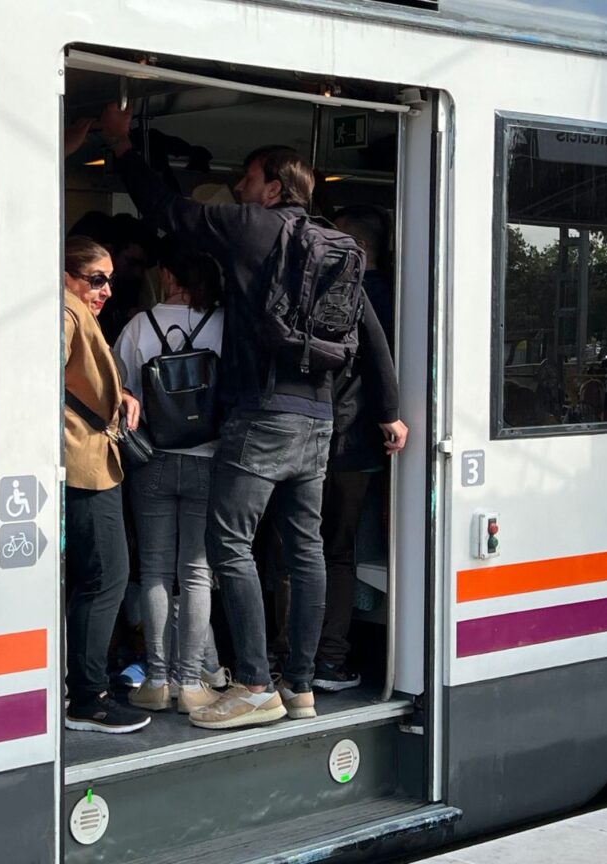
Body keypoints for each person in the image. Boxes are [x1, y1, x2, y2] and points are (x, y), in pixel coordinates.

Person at [100, 105, 409, 731]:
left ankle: (252, 684)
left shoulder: (251, 227)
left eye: (247, 177)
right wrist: (392, 412)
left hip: (262, 414)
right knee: (307, 551)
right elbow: (372, 334)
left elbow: (168, 213)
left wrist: (123, 147)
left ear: (273, 187)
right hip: (319, 419)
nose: (240, 187)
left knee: (228, 545)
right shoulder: (341, 247)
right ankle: (300, 687)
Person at [114, 241, 231, 715]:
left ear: (168, 276)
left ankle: (157, 680)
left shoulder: (140, 325)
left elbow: (119, 388)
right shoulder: (225, 324)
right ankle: (192, 684)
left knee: (156, 572)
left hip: (154, 460)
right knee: (197, 573)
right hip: (209, 459)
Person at [62, 235, 150, 734]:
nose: (107, 290)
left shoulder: (74, 313)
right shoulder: (68, 313)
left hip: (86, 461)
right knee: (107, 577)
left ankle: (85, 687)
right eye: (96, 279)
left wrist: (120, 394)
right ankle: (90, 696)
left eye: (109, 280)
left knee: (92, 580)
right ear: (67, 275)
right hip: (86, 465)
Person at [314, 206, 396, 692]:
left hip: (332, 436)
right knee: (339, 550)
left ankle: (315, 654)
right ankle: (330, 659)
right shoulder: (396, 294)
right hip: (362, 442)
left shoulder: (352, 291)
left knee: (317, 549)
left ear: (356, 249)